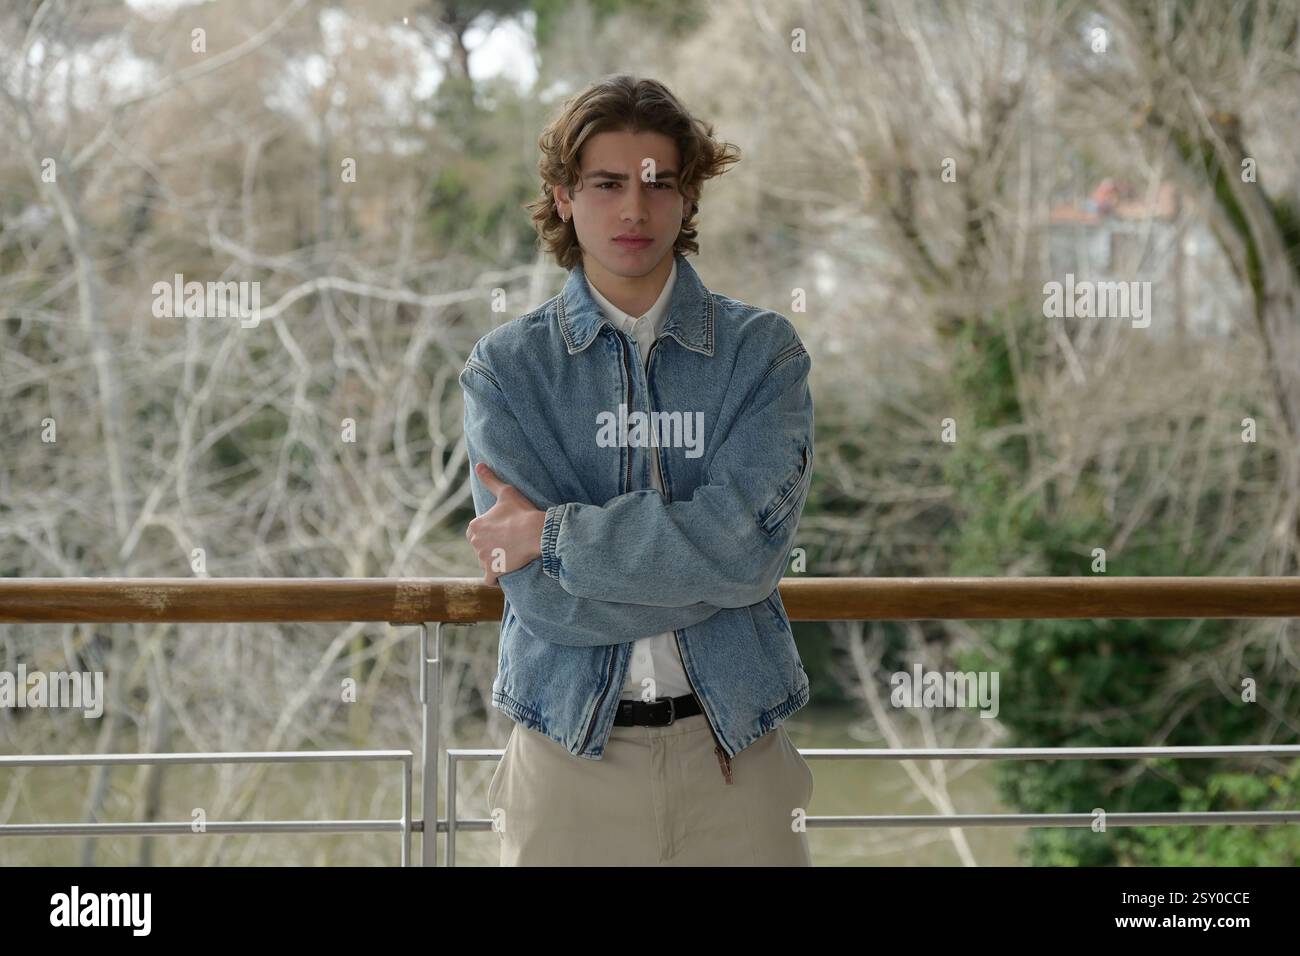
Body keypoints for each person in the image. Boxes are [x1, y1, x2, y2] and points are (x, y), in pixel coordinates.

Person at [460, 74, 816, 866]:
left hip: (738, 756)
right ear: (562, 196)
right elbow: (545, 602)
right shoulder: (507, 370)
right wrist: (704, 568)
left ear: (688, 198)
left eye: (658, 183)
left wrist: (552, 534)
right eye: (607, 183)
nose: (633, 209)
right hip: (566, 762)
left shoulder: (763, 355)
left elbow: (749, 553)